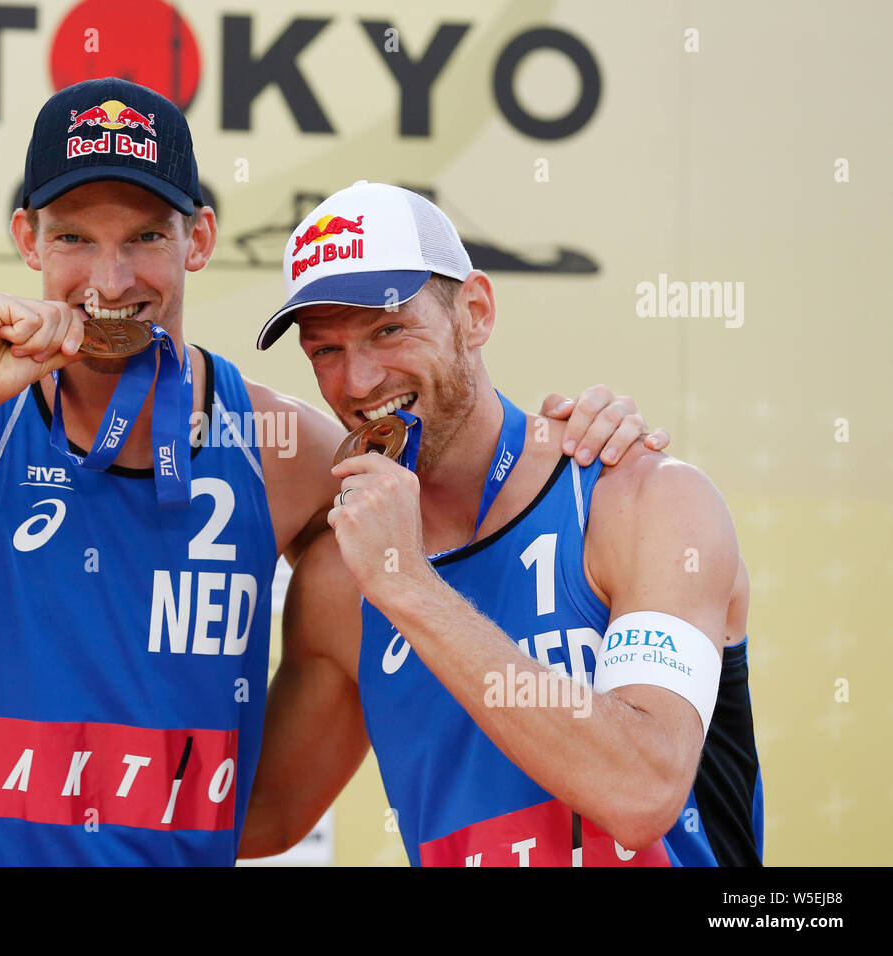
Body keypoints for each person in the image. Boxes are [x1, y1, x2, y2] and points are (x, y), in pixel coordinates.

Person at [0, 77, 658, 865]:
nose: (108, 280)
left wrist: (590, 426)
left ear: (199, 241)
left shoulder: (296, 454)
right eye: (72, 240)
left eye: (143, 236)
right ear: (24, 243)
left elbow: (452, 466)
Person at [237, 181, 764, 866]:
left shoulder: (641, 500)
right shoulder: (341, 583)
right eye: (325, 351)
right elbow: (258, 819)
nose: (359, 381)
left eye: (389, 329)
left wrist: (410, 587)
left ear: (476, 312)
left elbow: (642, 791)